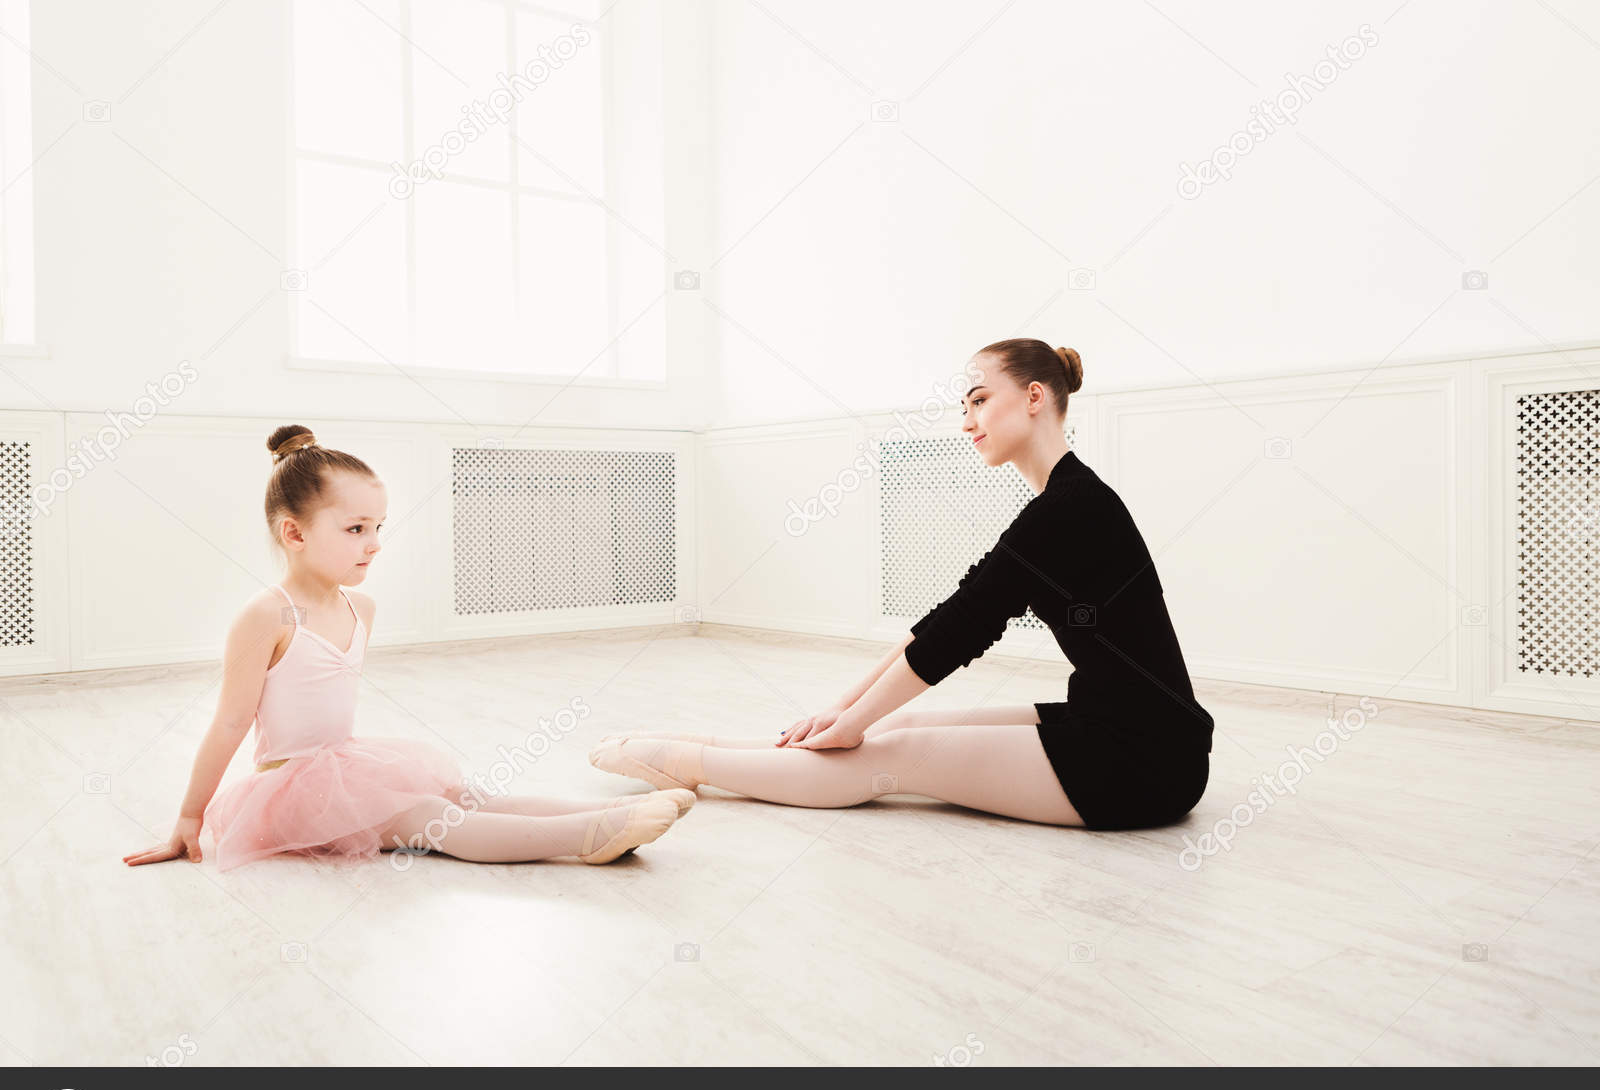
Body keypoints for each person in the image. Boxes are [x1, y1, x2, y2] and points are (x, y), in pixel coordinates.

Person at [589, 339, 1215, 830]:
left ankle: (691, 764)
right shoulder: (1066, 500)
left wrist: (852, 724)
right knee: (893, 728)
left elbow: (961, 630)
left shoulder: (1072, 506)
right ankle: (730, 747)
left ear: (1033, 397)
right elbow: (951, 615)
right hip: (1110, 719)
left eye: (979, 401)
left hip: (1143, 762)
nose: (967, 422)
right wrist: (844, 711)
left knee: (888, 755)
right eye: (965, 407)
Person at [123, 425, 691, 871]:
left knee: (465, 795)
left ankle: (610, 810)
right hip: (292, 790)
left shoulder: (359, 608)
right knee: (431, 818)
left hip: (344, 765)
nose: (374, 544)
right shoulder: (266, 615)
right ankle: (586, 837)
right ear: (294, 533)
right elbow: (229, 724)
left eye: (378, 527)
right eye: (355, 529)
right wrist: (190, 816)